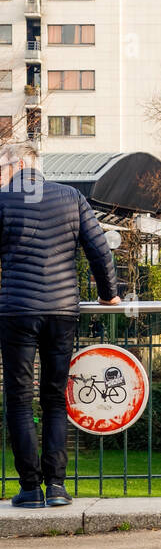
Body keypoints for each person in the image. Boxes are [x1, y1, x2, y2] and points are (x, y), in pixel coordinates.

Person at [0, 141, 120, 509]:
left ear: (19, 163)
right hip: (62, 310)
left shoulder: (2, 201)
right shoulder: (71, 196)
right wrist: (108, 294)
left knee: (19, 400)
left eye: (2, 167)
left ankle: (30, 489)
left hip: (16, 311)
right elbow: (99, 249)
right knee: (54, 399)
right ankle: (57, 487)